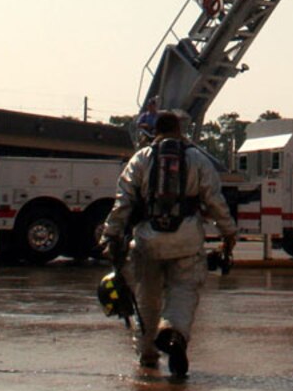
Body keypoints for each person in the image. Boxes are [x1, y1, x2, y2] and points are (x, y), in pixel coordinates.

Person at [100, 110, 237, 377]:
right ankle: (173, 333)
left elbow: (123, 201)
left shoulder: (141, 159)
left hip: (147, 243)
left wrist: (110, 235)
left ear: (154, 132)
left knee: (147, 299)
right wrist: (229, 233)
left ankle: (148, 355)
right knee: (184, 291)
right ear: (179, 131)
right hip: (186, 240)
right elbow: (214, 200)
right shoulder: (197, 159)